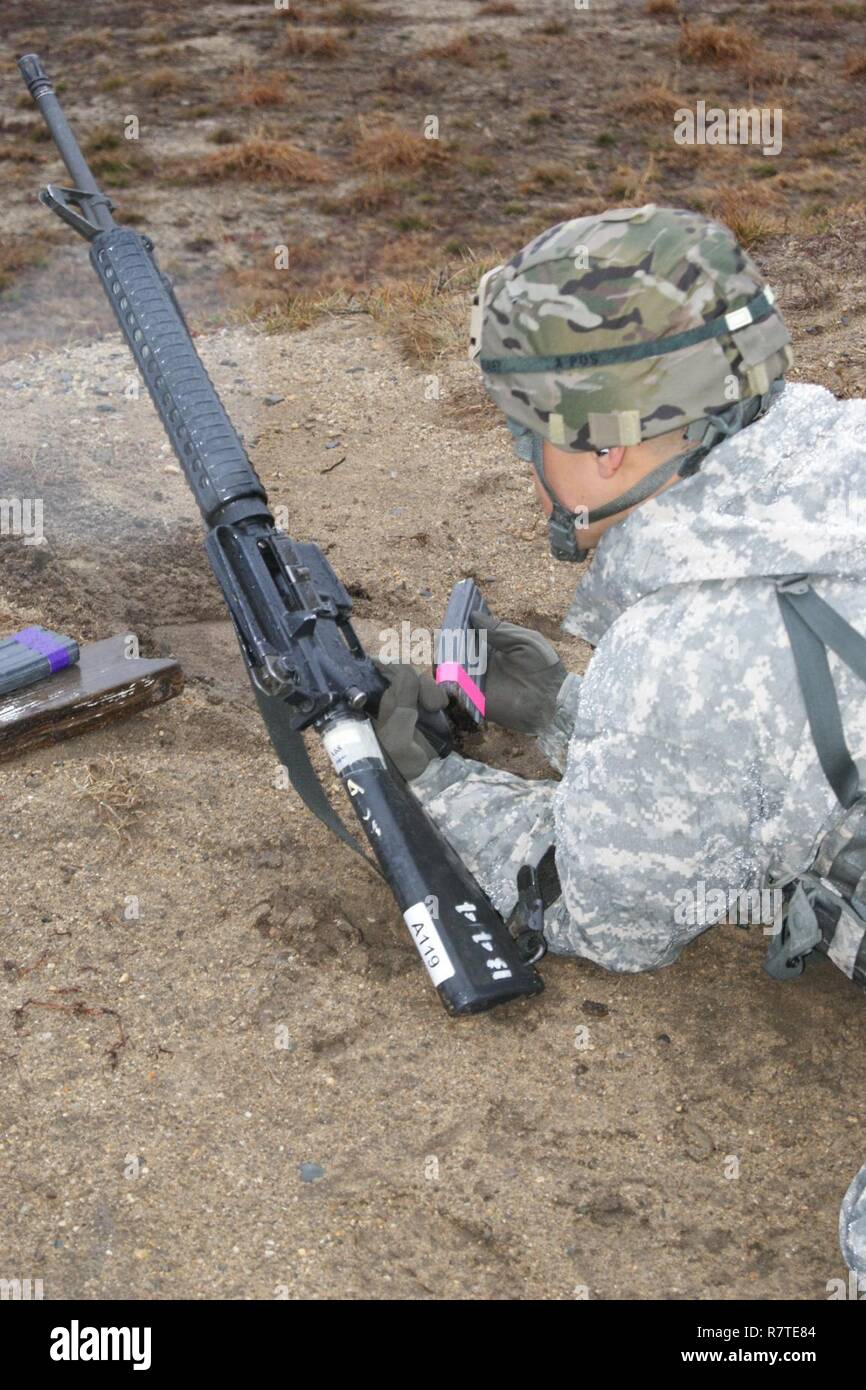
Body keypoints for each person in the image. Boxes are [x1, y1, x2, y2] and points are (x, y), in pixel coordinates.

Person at [373, 204, 866, 988]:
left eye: (527, 435)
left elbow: (612, 919)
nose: (527, 469)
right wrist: (561, 710)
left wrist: (433, 788)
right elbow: (755, 754)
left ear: (606, 445)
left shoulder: (680, 649)